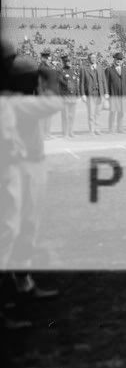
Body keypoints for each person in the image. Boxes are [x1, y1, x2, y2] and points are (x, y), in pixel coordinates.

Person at [2, 41, 65, 330]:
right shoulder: (12, 98)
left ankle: (22, 283)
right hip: (15, 166)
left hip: (27, 162)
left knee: (27, 224)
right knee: (9, 230)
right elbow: (53, 102)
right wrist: (49, 76)